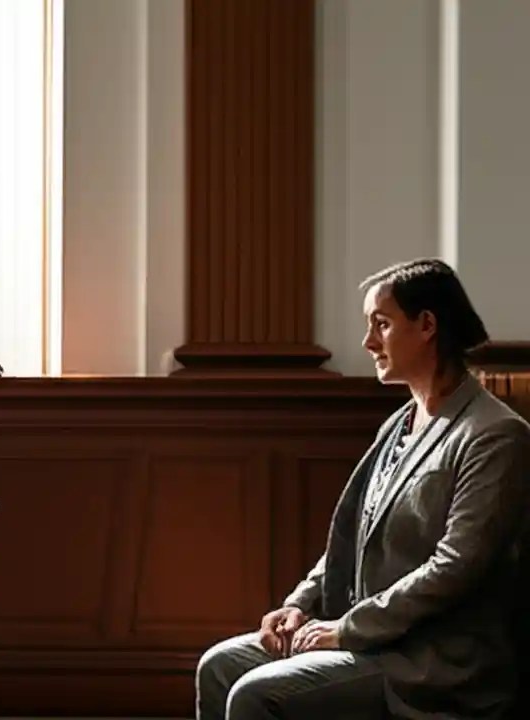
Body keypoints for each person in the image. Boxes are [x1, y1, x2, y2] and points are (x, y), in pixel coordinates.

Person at [196, 258, 530, 719]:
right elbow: (352, 536)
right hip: (373, 639)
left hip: (430, 661)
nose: (368, 342)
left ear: (427, 325)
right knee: (218, 666)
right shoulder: (399, 423)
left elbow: (456, 567)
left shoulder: (495, 434)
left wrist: (346, 629)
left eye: (382, 324)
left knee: (257, 693)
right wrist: (299, 605)